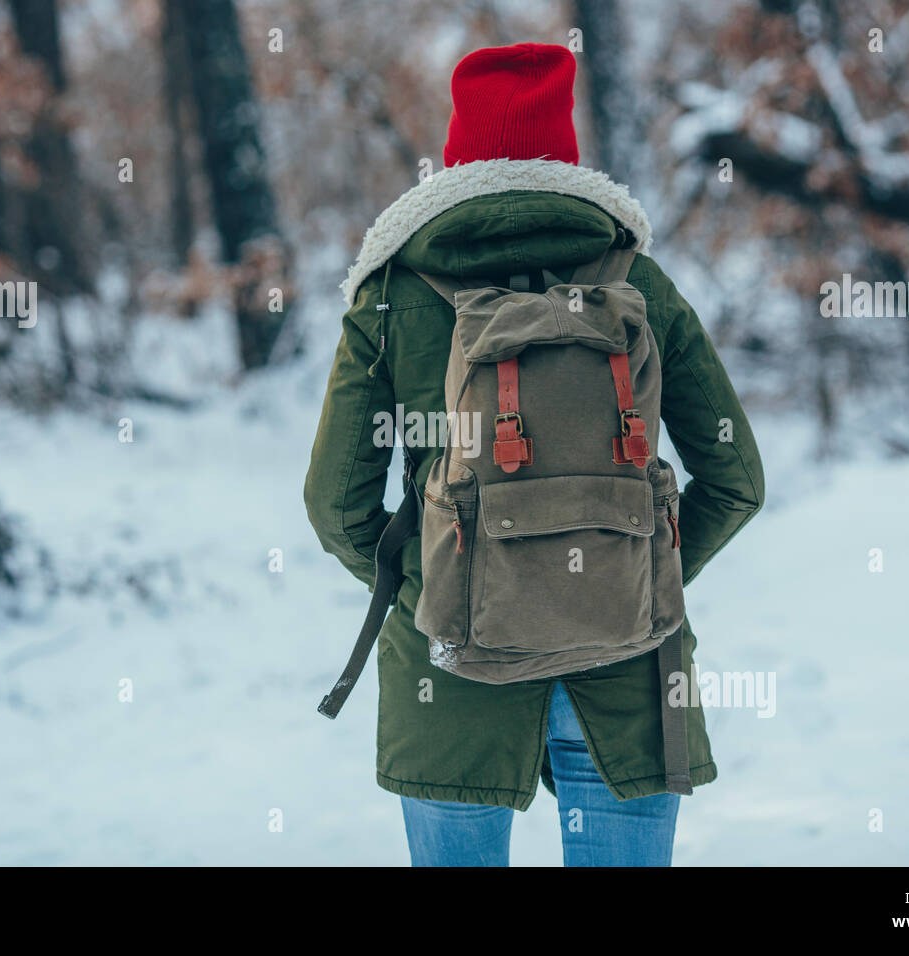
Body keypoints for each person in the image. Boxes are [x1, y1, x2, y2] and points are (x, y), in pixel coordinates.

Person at [304, 42, 764, 867]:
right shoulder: (640, 284)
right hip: (631, 667)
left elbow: (334, 506)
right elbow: (734, 479)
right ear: (568, 158)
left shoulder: (390, 296)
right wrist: (630, 572)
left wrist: (443, 582)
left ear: (456, 159)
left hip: (448, 676)